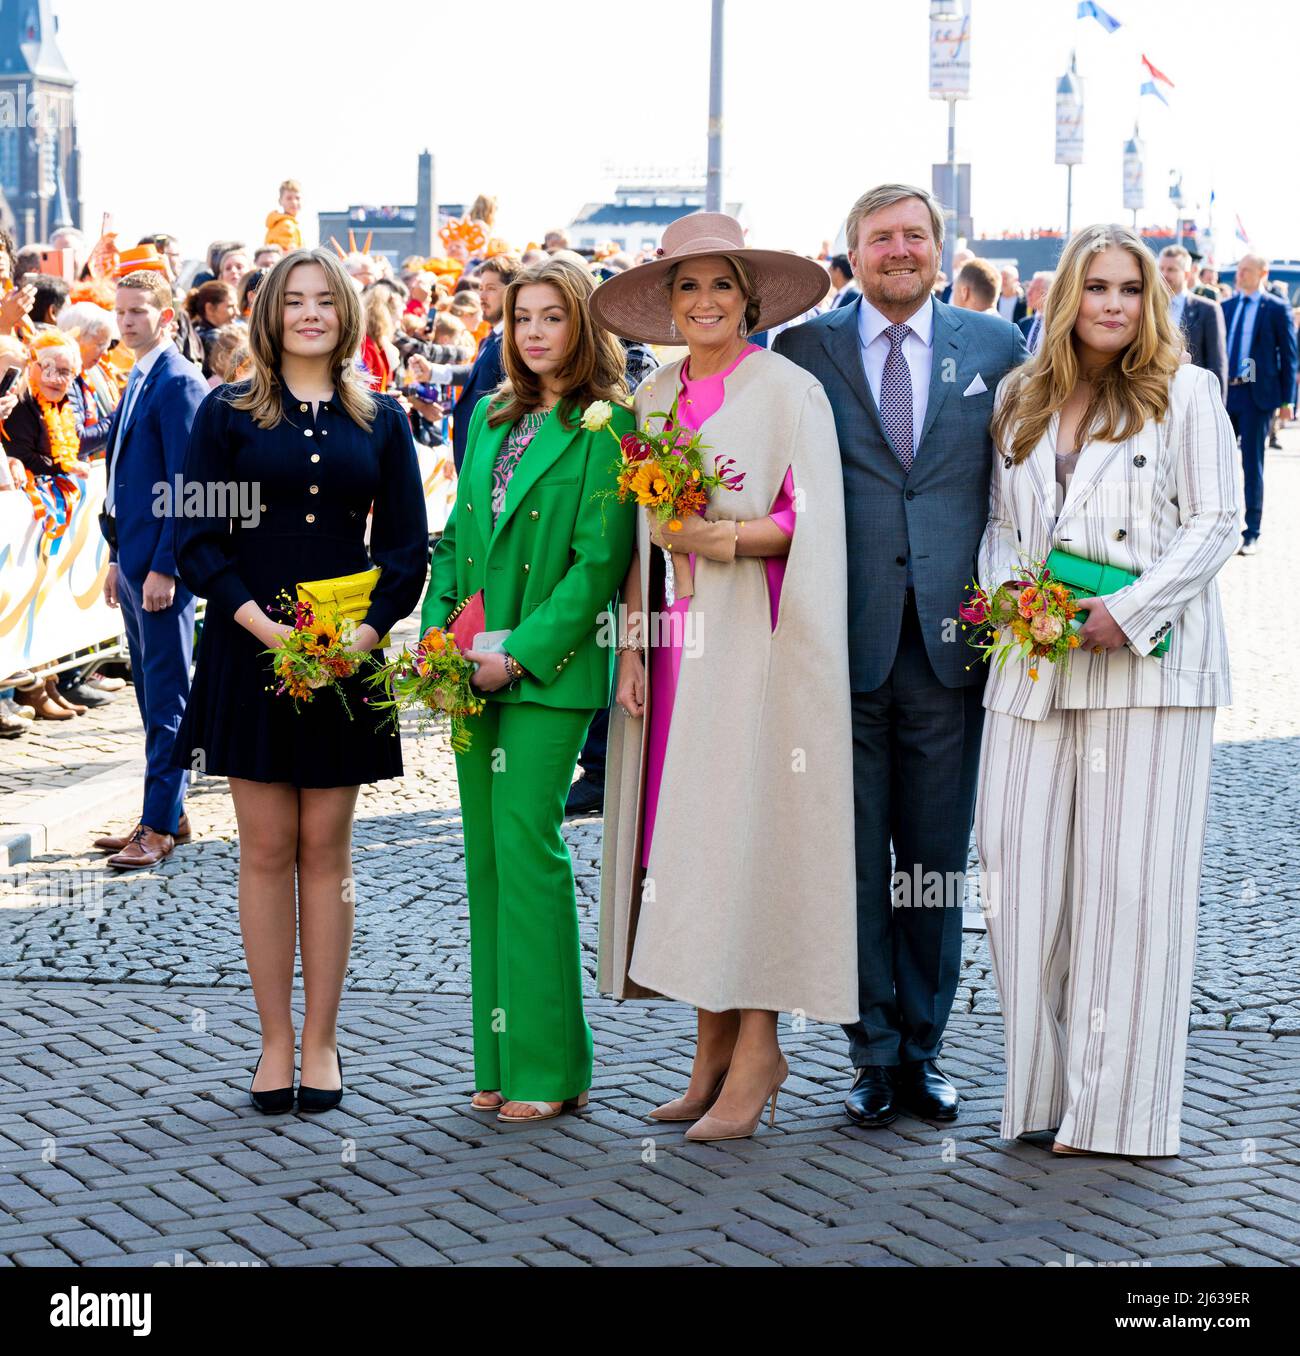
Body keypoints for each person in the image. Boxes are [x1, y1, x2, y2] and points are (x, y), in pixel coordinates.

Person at [977, 223, 1239, 1158]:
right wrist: (1013, 592)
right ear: (1066, 300)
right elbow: (1000, 525)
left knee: (1132, 896)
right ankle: (1041, 1098)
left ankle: (1118, 1116)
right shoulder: (1018, 396)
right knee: (1019, 889)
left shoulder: (1189, 394)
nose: (1114, 305)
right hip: (1032, 668)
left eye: (1131, 289)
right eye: (1097, 288)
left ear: (1151, 300)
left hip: (1150, 673)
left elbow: (1217, 524)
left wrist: (1124, 611)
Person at [593, 212, 857, 1142]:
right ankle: (708, 1047)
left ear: (748, 298)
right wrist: (628, 644)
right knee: (689, 844)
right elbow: (635, 540)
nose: (704, 302)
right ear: (669, 304)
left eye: (720, 286)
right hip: (673, 649)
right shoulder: (653, 399)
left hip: (754, 642)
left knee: (750, 834)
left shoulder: (791, 394)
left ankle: (760, 1053)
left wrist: (723, 537)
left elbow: (813, 524)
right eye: (687, 287)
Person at [776, 183, 1029, 1129]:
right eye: (880, 238)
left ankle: (924, 1053)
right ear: (853, 253)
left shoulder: (998, 348)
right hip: (839, 647)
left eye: (914, 236)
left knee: (931, 864)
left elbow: (1030, 481)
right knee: (851, 865)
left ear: (938, 247)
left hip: (953, 653)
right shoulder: (804, 351)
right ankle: (870, 1054)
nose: (899, 251)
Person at [173, 248, 427, 1114]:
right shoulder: (226, 412)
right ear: (271, 313)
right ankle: (273, 1043)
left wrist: (362, 635)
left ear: (347, 313)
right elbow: (198, 541)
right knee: (265, 850)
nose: (311, 313)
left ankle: (322, 1041)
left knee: (328, 850)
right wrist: (260, 625)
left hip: (347, 656)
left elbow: (403, 548)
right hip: (251, 649)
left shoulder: (382, 419)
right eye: (296, 300)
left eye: (326, 300)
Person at [421, 256, 635, 1123]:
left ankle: (552, 1067)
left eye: (552, 317)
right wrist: (438, 637)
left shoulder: (609, 425)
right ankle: (502, 1058)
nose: (535, 332)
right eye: (521, 319)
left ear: (583, 325)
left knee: (530, 851)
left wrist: (519, 656)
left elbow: (599, 565)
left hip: (545, 672)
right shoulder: (489, 415)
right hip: (469, 665)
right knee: (487, 861)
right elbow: (457, 541)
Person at [93, 270, 211, 866]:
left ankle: (158, 827)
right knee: (148, 693)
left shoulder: (177, 381)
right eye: (120, 311)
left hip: (163, 569)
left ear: (165, 316)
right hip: (135, 561)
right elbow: (123, 477)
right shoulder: (137, 377)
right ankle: (170, 810)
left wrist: (167, 566)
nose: (126, 321)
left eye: (138, 311)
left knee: (167, 697)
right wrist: (117, 557)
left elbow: (188, 487)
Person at [1221, 254, 1296, 554]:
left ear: (1263, 273)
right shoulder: (1226, 307)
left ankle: (1251, 531)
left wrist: (1287, 400)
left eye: (1247, 270)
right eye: (1238, 270)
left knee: (1252, 464)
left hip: (1257, 397)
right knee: (1217, 463)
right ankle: (1218, 528)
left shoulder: (1276, 309)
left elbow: (1289, 356)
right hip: (1226, 394)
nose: (1240, 275)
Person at [416, 254, 520, 470]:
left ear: (512, 291)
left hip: (492, 460)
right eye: (481, 288)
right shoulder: (493, 338)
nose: (482, 296)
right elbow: (477, 373)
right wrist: (433, 372)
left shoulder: (515, 340)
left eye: (491, 288)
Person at [1159, 245, 1226, 398]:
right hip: (1154, 397)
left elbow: (1216, 363)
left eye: (1171, 269)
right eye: (1161, 268)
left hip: (1192, 397)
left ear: (1187, 274)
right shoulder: (1148, 307)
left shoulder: (1208, 310)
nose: (1164, 274)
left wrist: (1217, 405)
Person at [265, 179, 304, 254]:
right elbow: (289, 254)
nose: (294, 202)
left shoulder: (278, 223)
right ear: (280, 201)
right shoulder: (287, 225)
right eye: (289, 198)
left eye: (297, 198)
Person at [1019, 270, 1054, 352]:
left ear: (1047, 293)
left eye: (1034, 289)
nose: (1028, 292)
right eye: (1029, 288)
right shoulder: (1023, 324)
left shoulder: (1059, 324)